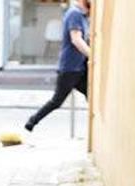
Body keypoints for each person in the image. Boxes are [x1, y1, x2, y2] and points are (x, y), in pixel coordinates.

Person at [25, 0, 91, 132]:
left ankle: (98, 128)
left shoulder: (82, 15)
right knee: (57, 101)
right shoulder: (75, 14)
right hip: (70, 68)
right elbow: (76, 39)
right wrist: (93, 55)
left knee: (93, 95)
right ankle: (32, 121)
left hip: (79, 68)